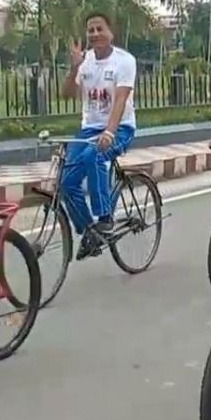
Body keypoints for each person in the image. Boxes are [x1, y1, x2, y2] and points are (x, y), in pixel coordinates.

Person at [60, 13, 138, 259]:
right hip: (89, 128)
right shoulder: (85, 62)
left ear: (111, 32)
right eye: (90, 30)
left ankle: (105, 218)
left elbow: (121, 99)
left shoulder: (125, 61)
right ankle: (90, 232)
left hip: (120, 127)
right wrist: (74, 67)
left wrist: (110, 132)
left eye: (99, 29)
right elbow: (67, 95)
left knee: (93, 156)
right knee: (65, 183)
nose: (94, 34)